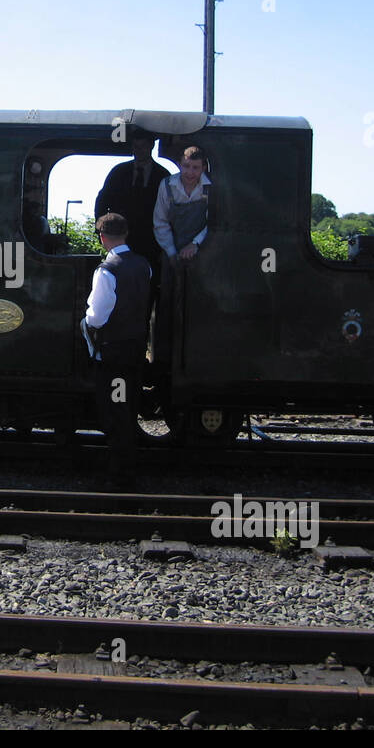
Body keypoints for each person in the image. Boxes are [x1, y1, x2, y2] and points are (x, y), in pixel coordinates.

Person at [81, 213, 151, 486]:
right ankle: (124, 466)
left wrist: (84, 323)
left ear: (102, 237)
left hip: (113, 353)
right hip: (134, 348)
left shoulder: (106, 270)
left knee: (115, 410)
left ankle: (121, 473)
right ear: (126, 233)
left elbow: (97, 317)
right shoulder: (144, 265)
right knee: (127, 406)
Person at [151, 146, 211, 370]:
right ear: (180, 164)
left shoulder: (211, 189)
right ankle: (164, 362)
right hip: (171, 252)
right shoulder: (166, 186)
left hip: (203, 253)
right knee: (167, 304)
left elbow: (213, 222)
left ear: (203, 167)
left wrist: (195, 244)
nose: (190, 172)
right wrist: (172, 252)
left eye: (196, 168)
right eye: (186, 166)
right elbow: (160, 222)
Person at [95, 135, 170, 267]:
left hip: (152, 242)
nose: (139, 150)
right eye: (136, 146)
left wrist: (166, 246)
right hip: (120, 240)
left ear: (151, 146)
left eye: (143, 147)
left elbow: (169, 212)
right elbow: (102, 201)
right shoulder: (118, 172)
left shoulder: (163, 175)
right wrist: (102, 230)